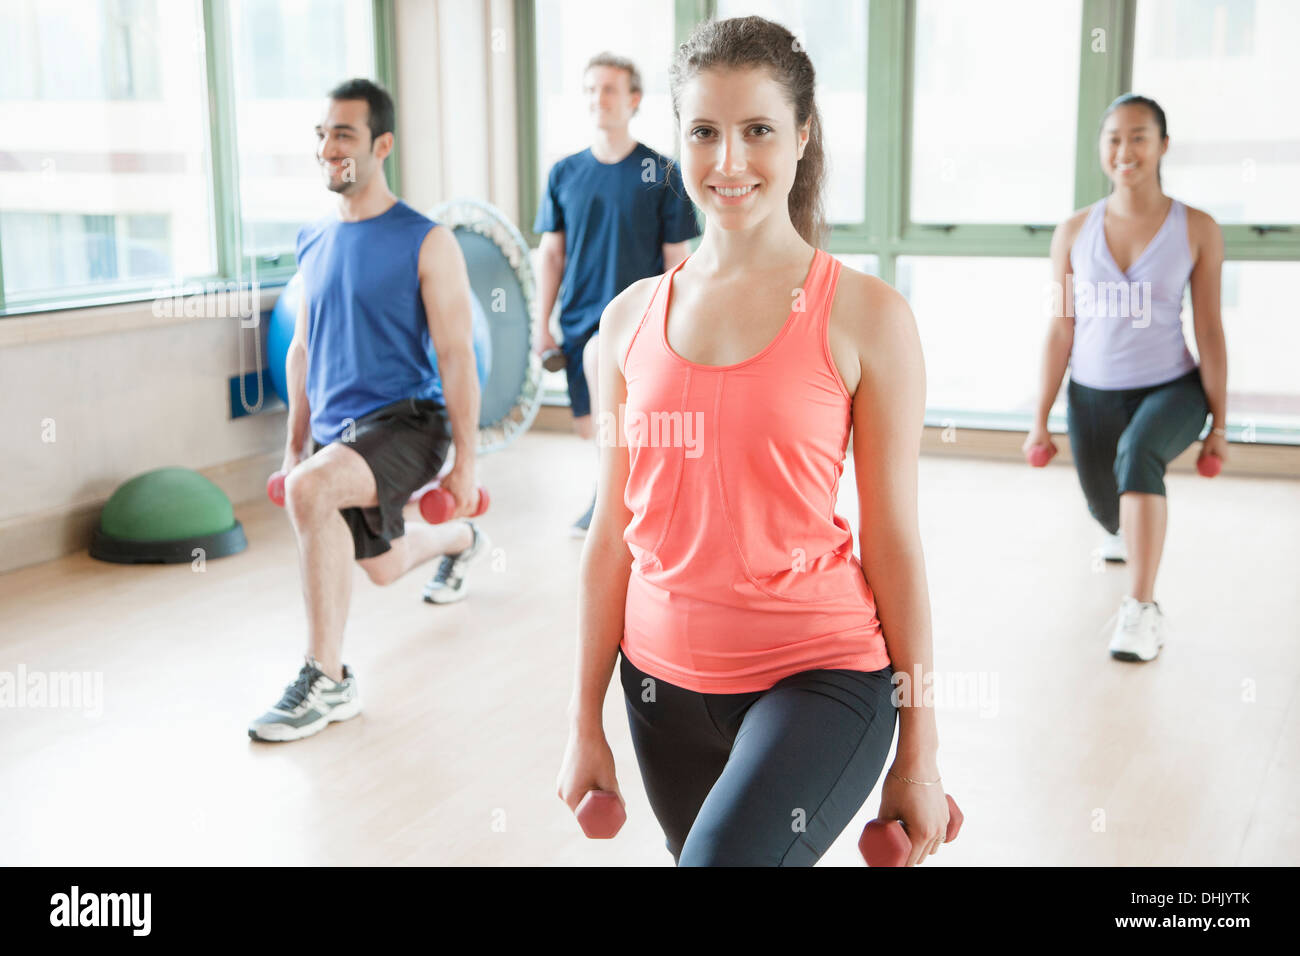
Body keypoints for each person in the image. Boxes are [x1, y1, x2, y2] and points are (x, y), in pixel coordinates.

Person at [556, 16, 950, 866]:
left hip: (819, 676)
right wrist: (583, 720)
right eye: (704, 132)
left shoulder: (866, 316)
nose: (728, 162)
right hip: (659, 687)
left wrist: (921, 749)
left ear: (803, 137)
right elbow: (612, 538)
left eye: (758, 131)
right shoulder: (626, 323)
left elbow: (893, 541)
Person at [249, 79, 487, 742]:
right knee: (380, 568)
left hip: (410, 424)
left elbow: (457, 356)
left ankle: (326, 678)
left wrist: (466, 462)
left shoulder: (425, 240)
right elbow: (301, 351)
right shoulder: (312, 239)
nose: (329, 147)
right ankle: (460, 543)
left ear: (381, 145)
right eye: (322, 134)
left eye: (344, 134)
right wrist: (295, 445)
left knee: (313, 491)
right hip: (338, 434)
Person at [1025, 93, 1228, 663]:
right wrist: (1039, 421)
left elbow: (1210, 330)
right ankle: (1122, 527)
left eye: (1139, 136)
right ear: (1102, 149)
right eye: (1114, 137)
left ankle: (1141, 610)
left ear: (1163, 145)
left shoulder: (1199, 229)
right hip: (1092, 391)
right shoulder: (1072, 231)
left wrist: (1220, 426)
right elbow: (1061, 328)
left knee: (1139, 455)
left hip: (1173, 387)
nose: (1125, 149)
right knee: (1106, 507)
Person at [533, 53, 700, 536]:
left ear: (633, 100)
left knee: (626, 423)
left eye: (609, 90)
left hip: (641, 320)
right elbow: (551, 256)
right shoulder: (564, 173)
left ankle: (617, 505)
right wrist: (541, 324)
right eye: (590, 90)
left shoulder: (659, 171)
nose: (598, 99)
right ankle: (624, 497)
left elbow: (677, 259)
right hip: (580, 315)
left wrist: (682, 323)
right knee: (594, 427)